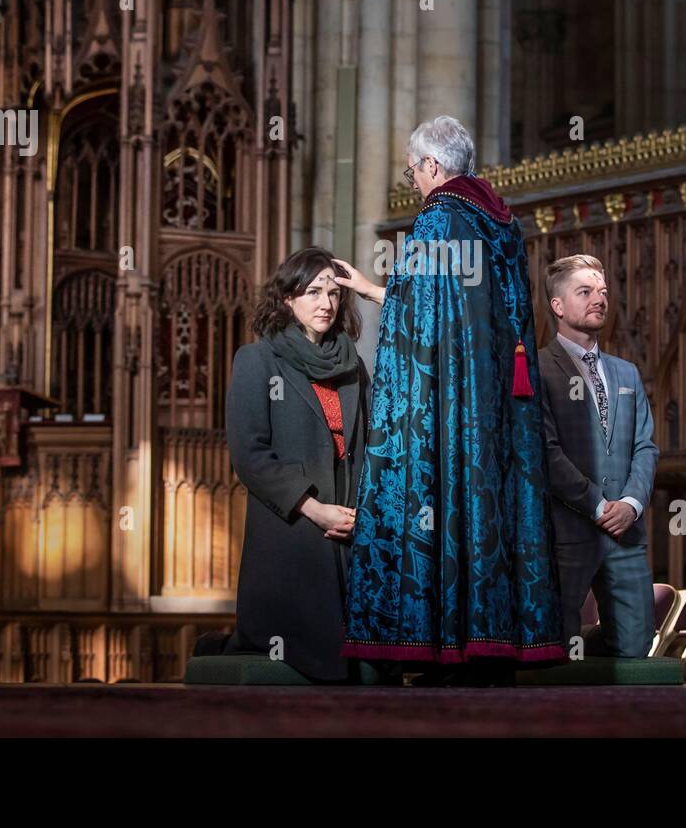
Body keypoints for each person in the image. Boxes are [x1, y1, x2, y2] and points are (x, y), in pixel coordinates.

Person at [334, 115, 565, 685]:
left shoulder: (437, 220)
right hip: (494, 410)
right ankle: (491, 644)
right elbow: (461, 311)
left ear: (433, 166)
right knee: (488, 507)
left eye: (414, 170)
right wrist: (370, 287)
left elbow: (417, 327)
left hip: (447, 409)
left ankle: (440, 644)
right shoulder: (500, 225)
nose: (413, 180)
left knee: (437, 499)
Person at [215, 247, 370, 681]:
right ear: (288, 299)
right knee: (316, 653)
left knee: (372, 660)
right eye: (313, 292)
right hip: (292, 525)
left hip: (347, 521)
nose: (325, 303)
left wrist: (360, 512)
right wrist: (314, 508)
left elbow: (371, 445)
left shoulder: (352, 365)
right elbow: (250, 455)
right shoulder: (257, 359)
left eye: (334, 293)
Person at [538, 254, 659, 657]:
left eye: (603, 292)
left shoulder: (627, 373)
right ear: (558, 305)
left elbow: (645, 446)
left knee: (636, 648)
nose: (599, 299)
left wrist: (631, 503)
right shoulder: (538, 369)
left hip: (625, 533)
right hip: (567, 533)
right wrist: (596, 503)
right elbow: (545, 451)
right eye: (585, 291)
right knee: (559, 652)